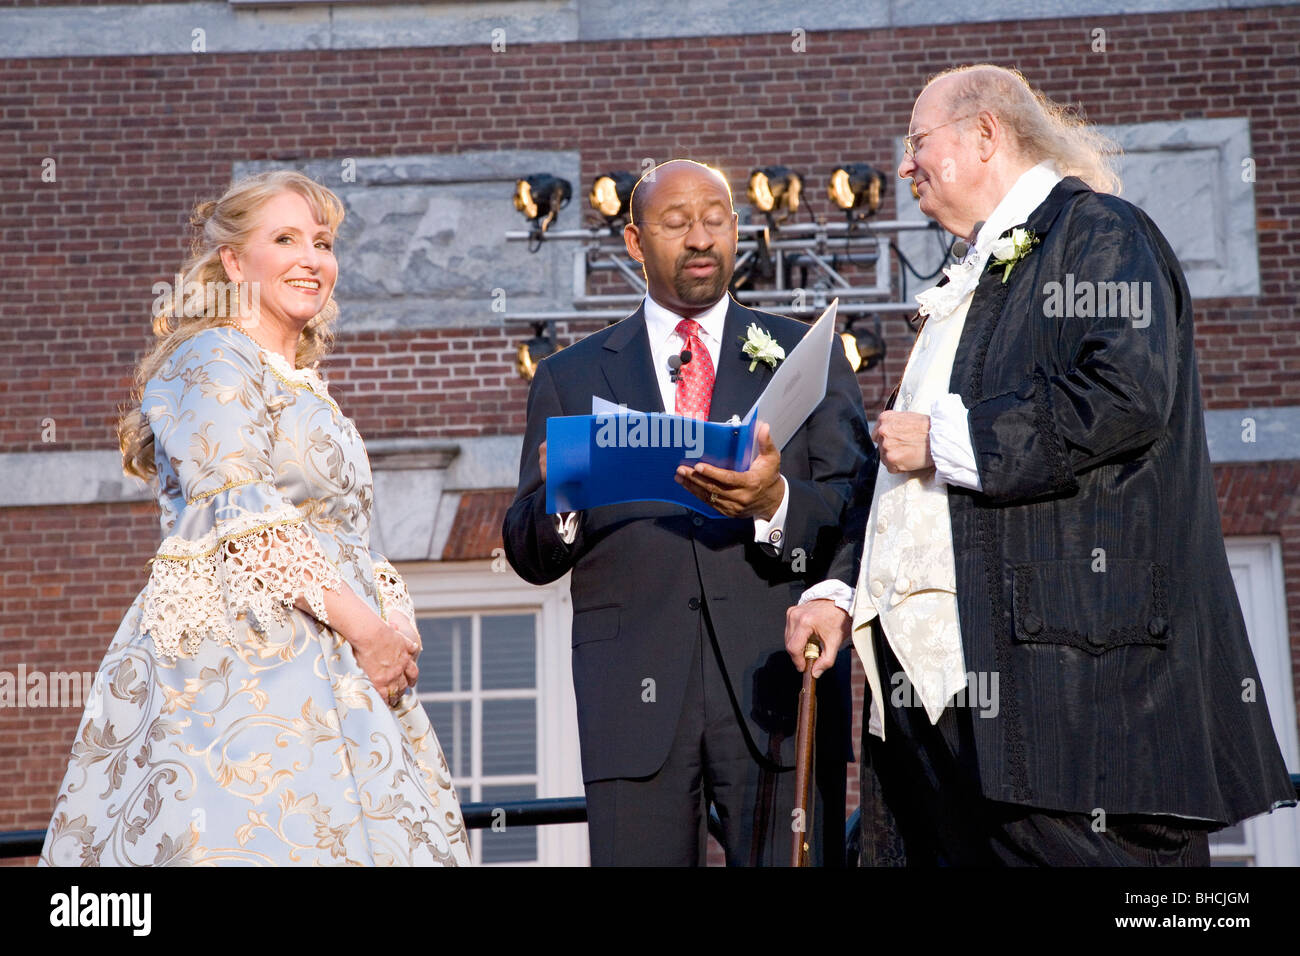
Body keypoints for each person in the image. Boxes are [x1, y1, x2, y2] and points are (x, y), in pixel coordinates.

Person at [787, 64, 1296, 866]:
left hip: (1062, 695)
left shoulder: (1101, 234)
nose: (904, 166)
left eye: (919, 143)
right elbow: (901, 483)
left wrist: (951, 438)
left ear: (987, 134)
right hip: (934, 704)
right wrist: (838, 589)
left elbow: (1127, 392)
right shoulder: (974, 273)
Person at [40, 170, 471, 866]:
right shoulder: (210, 356)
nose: (311, 258)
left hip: (340, 667)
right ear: (235, 262)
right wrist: (367, 629)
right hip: (245, 663)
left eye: (323, 243)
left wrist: (394, 626)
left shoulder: (305, 386)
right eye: (285, 239)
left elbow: (351, 532)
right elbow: (240, 513)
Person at [503, 160, 873, 866]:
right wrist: (566, 497)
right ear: (637, 242)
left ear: (737, 230)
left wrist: (774, 503)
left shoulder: (807, 356)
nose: (700, 238)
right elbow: (527, 552)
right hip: (631, 698)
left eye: (714, 220)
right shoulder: (570, 376)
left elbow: (855, 509)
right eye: (676, 224)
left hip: (778, 686)